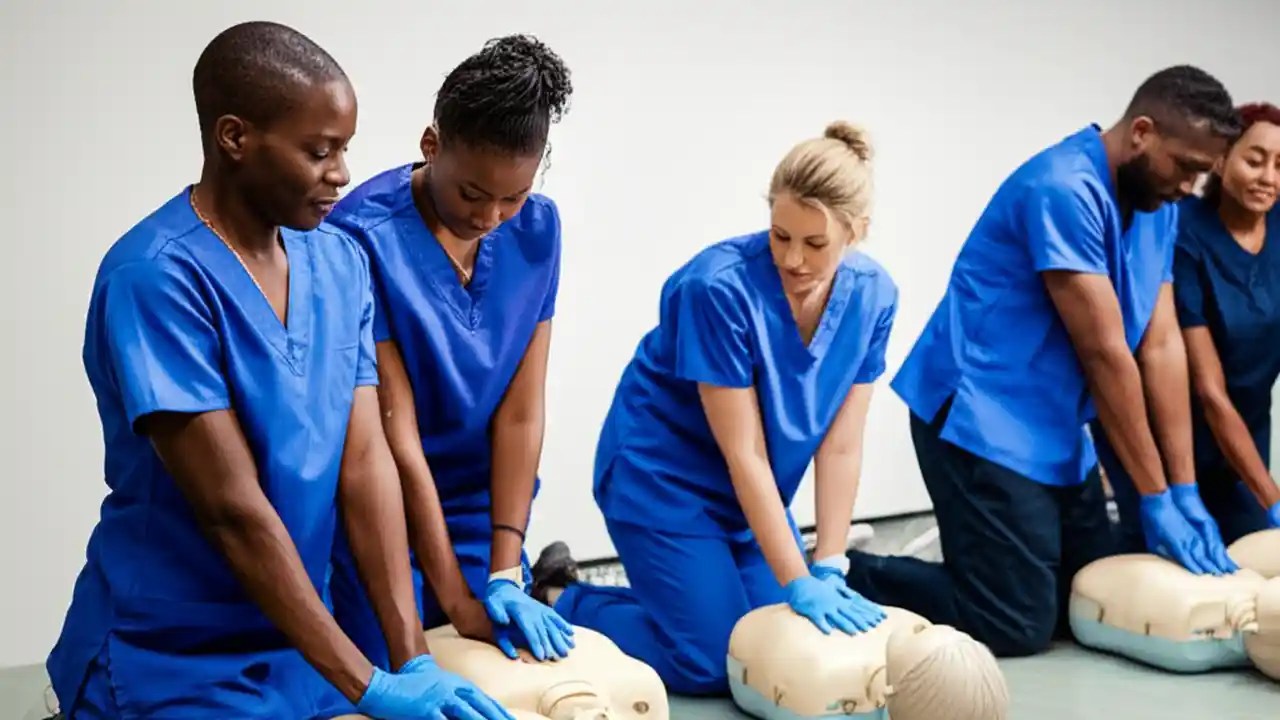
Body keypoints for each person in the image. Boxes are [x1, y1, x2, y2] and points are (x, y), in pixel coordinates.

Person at [47, 21, 512, 720]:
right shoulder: (156, 278)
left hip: (302, 647)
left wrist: (410, 657)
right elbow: (232, 510)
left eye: (345, 149)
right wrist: (370, 688)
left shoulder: (340, 262)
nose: (342, 173)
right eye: (319, 151)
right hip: (169, 655)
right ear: (234, 138)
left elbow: (366, 463)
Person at [840, 65, 1242, 658]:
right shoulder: (1062, 188)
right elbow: (1105, 353)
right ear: (1142, 132)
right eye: (1186, 166)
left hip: (1054, 427)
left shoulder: (1159, 203)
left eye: (1202, 173)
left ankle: (988, 563)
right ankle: (846, 571)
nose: (1191, 186)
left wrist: (1184, 489)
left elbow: (1160, 345)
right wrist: (1153, 495)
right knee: (1018, 622)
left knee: (1085, 596)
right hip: (979, 418)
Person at [528, 121, 896, 695]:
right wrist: (796, 578)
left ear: (858, 232)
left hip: (747, 495)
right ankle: (559, 595)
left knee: (778, 642)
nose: (793, 259)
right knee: (714, 661)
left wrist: (827, 564)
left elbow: (842, 445)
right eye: (780, 235)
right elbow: (743, 450)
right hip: (661, 476)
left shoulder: (874, 296)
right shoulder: (718, 288)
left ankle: (677, 596)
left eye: (815, 243)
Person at [326, 34, 576, 671]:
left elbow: (522, 412)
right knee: (387, 664)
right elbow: (395, 436)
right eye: (471, 193)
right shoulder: (359, 237)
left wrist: (503, 572)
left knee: (511, 651)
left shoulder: (539, 230)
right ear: (431, 144)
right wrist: (458, 603)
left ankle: (546, 581)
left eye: (513, 197)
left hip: (475, 504)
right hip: (376, 501)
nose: (491, 216)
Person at [1099, 101, 1280, 552]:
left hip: (1245, 433)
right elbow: (1208, 389)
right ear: (1220, 160)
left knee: (1252, 556)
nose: (1268, 177)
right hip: (1169, 432)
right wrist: (1274, 498)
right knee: (1164, 565)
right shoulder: (1183, 231)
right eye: (1255, 160)